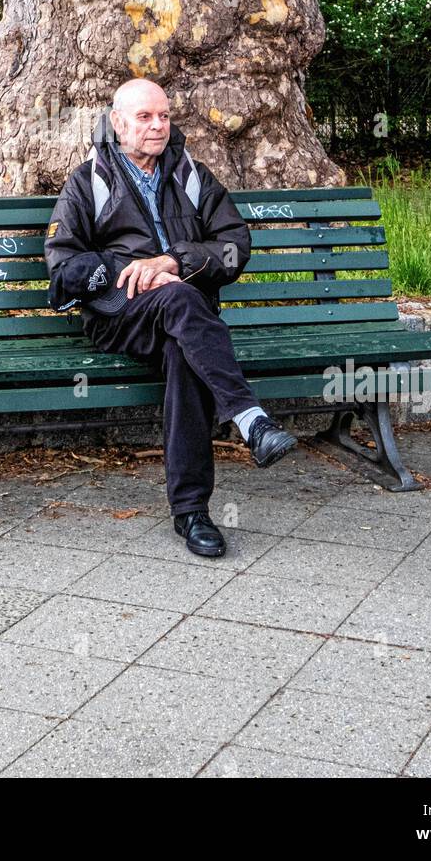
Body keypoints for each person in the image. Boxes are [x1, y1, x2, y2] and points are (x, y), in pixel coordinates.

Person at [44, 78, 297, 558]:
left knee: (185, 352)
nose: (157, 126)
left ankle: (192, 513)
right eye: (144, 117)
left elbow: (234, 247)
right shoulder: (89, 182)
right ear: (117, 123)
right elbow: (62, 272)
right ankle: (250, 419)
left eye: (163, 115)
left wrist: (173, 263)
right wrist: (132, 272)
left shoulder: (192, 175)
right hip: (120, 316)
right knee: (180, 300)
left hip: (187, 323)